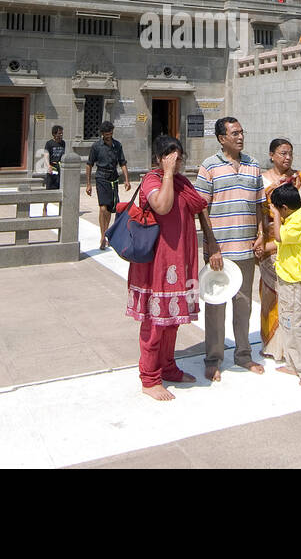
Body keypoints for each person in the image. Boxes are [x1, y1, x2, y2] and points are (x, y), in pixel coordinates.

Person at [126, 135, 218, 401]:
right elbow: (163, 206)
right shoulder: (152, 181)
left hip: (180, 259)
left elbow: (201, 208)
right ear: (158, 158)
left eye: (178, 158)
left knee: (172, 321)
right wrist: (166, 173)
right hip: (158, 262)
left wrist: (212, 242)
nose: (176, 163)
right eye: (170, 157)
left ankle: (168, 366)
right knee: (155, 322)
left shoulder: (183, 182)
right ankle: (149, 377)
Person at [194, 117, 268, 381]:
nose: (240, 137)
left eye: (241, 132)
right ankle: (213, 359)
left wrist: (261, 234)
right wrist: (212, 245)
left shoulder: (253, 165)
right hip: (219, 251)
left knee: (244, 303)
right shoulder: (209, 167)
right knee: (216, 306)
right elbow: (202, 207)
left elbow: (260, 203)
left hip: (246, 248)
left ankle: (243, 354)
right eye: (234, 133)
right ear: (221, 138)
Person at [257, 139, 301, 362]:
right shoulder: (263, 179)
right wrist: (259, 236)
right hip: (272, 244)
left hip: (297, 242)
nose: (287, 158)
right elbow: (258, 211)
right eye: (283, 153)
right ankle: (277, 346)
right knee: (274, 295)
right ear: (272, 155)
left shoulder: (299, 179)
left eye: (290, 154)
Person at [262, 183, 301, 385]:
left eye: (277, 208)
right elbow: (278, 243)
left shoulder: (299, 222)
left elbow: (279, 236)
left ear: (284, 208)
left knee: (298, 327)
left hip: (297, 284)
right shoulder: (291, 220)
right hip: (286, 281)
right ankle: (293, 363)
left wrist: (276, 215)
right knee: (287, 324)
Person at [86, 121, 129, 249]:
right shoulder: (96, 146)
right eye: (106, 134)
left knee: (110, 209)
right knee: (103, 207)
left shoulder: (117, 145)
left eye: (110, 133)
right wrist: (88, 184)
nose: (108, 136)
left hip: (113, 178)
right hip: (101, 177)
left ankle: (106, 233)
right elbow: (89, 164)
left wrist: (127, 180)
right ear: (102, 134)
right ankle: (102, 235)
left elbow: (122, 162)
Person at [41, 124, 66, 216]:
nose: (61, 135)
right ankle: (45, 207)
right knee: (49, 189)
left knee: (61, 188)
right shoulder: (49, 143)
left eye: (62, 133)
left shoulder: (63, 143)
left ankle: (61, 210)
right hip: (52, 167)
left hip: (60, 168)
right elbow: (46, 155)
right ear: (54, 134)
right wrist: (48, 166)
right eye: (59, 133)